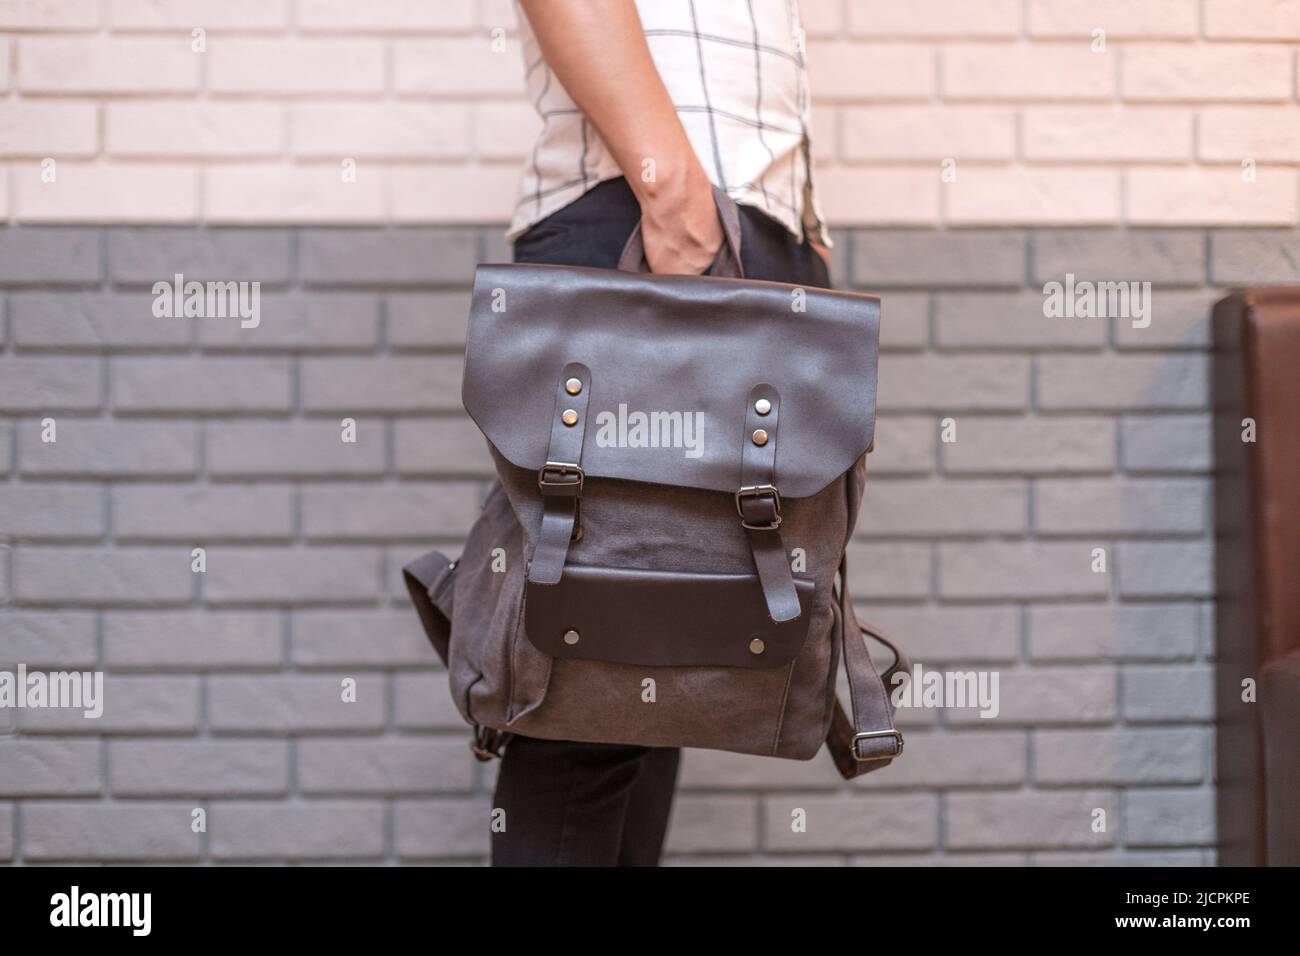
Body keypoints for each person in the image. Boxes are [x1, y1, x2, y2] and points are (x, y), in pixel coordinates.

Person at [490, 0, 832, 867]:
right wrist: (674, 193)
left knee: (667, 668)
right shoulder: (668, 211)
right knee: (591, 687)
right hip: (651, 220)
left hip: (737, 235)